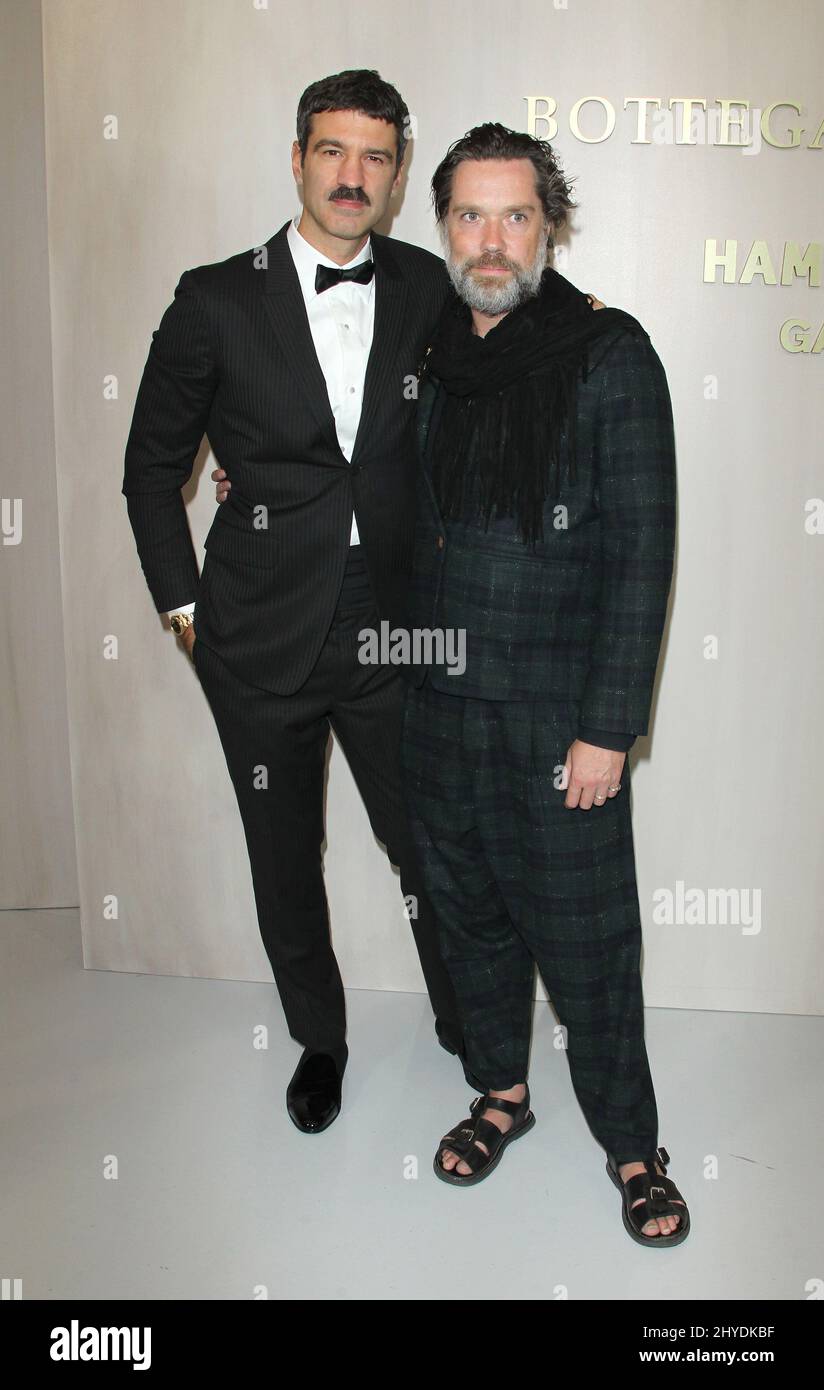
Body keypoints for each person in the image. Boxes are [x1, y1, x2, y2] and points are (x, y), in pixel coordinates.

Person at [122, 69, 475, 1135]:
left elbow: (508, 353)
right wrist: (186, 613)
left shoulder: (425, 287)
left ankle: (469, 1023)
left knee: (426, 840)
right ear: (296, 158)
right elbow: (150, 471)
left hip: (391, 619)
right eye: (332, 150)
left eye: (374, 155)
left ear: (399, 173)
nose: (351, 175)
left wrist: (586, 313)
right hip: (256, 624)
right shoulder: (214, 299)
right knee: (284, 853)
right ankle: (320, 1040)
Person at [398, 123, 690, 1246]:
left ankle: (631, 1145)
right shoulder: (428, 355)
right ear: (446, 227)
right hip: (436, 709)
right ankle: (500, 1094)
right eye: (468, 215)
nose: (489, 239)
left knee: (586, 943)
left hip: (555, 726)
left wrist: (606, 729)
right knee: (468, 925)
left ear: (547, 224)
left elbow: (641, 555)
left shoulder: (609, 353)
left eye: (512, 215)